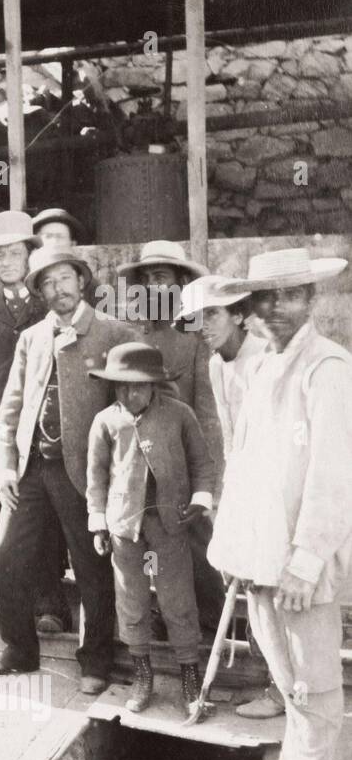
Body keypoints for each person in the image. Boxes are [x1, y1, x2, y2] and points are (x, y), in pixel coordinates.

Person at [209, 248, 352, 760]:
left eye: (292, 295)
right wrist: (234, 546)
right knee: (279, 658)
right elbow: (243, 464)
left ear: (311, 299)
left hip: (300, 559)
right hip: (262, 550)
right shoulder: (264, 364)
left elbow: (333, 474)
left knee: (311, 674)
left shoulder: (328, 368)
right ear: (253, 306)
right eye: (268, 296)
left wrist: (307, 560)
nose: (278, 307)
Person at [0, 245, 139, 692]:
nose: (59, 290)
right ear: (40, 292)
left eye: (65, 280)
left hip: (84, 474)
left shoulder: (113, 333)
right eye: (48, 284)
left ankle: (95, 661)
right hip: (33, 468)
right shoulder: (31, 338)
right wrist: (5, 465)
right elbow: (11, 409)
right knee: (6, 555)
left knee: (92, 567)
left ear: (81, 281)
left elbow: (130, 412)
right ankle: (19, 650)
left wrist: (114, 480)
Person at [0, 209, 71, 634]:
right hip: (9, 440)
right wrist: (2, 413)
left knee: (59, 524)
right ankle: (36, 611)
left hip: (53, 435)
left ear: (30, 257)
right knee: (21, 527)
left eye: (14, 254)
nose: (6, 262)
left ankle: (59, 601)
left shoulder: (49, 309)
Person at [86, 343, 214, 714]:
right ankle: (143, 672)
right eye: (122, 386)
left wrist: (200, 499)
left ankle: (190, 674)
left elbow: (201, 463)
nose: (131, 394)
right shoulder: (106, 422)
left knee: (177, 599)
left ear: (156, 385)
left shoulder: (179, 415)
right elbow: (96, 477)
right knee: (133, 600)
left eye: (139, 386)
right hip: (126, 528)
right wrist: (99, 522)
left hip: (169, 528)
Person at [177, 274, 279, 719]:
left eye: (212, 314)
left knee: (274, 590)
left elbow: (275, 445)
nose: (203, 325)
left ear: (239, 314)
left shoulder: (267, 361)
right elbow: (232, 438)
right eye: (197, 318)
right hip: (245, 484)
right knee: (247, 586)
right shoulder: (218, 363)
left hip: (277, 491)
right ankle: (268, 681)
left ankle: (282, 691)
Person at [117, 240, 225, 635]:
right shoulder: (131, 339)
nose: (153, 287)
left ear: (180, 285)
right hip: (138, 468)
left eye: (161, 278)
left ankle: (212, 626)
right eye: (146, 280)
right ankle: (164, 618)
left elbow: (209, 418)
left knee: (197, 547)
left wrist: (207, 485)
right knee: (150, 549)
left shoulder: (198, 342)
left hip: (182, 469)